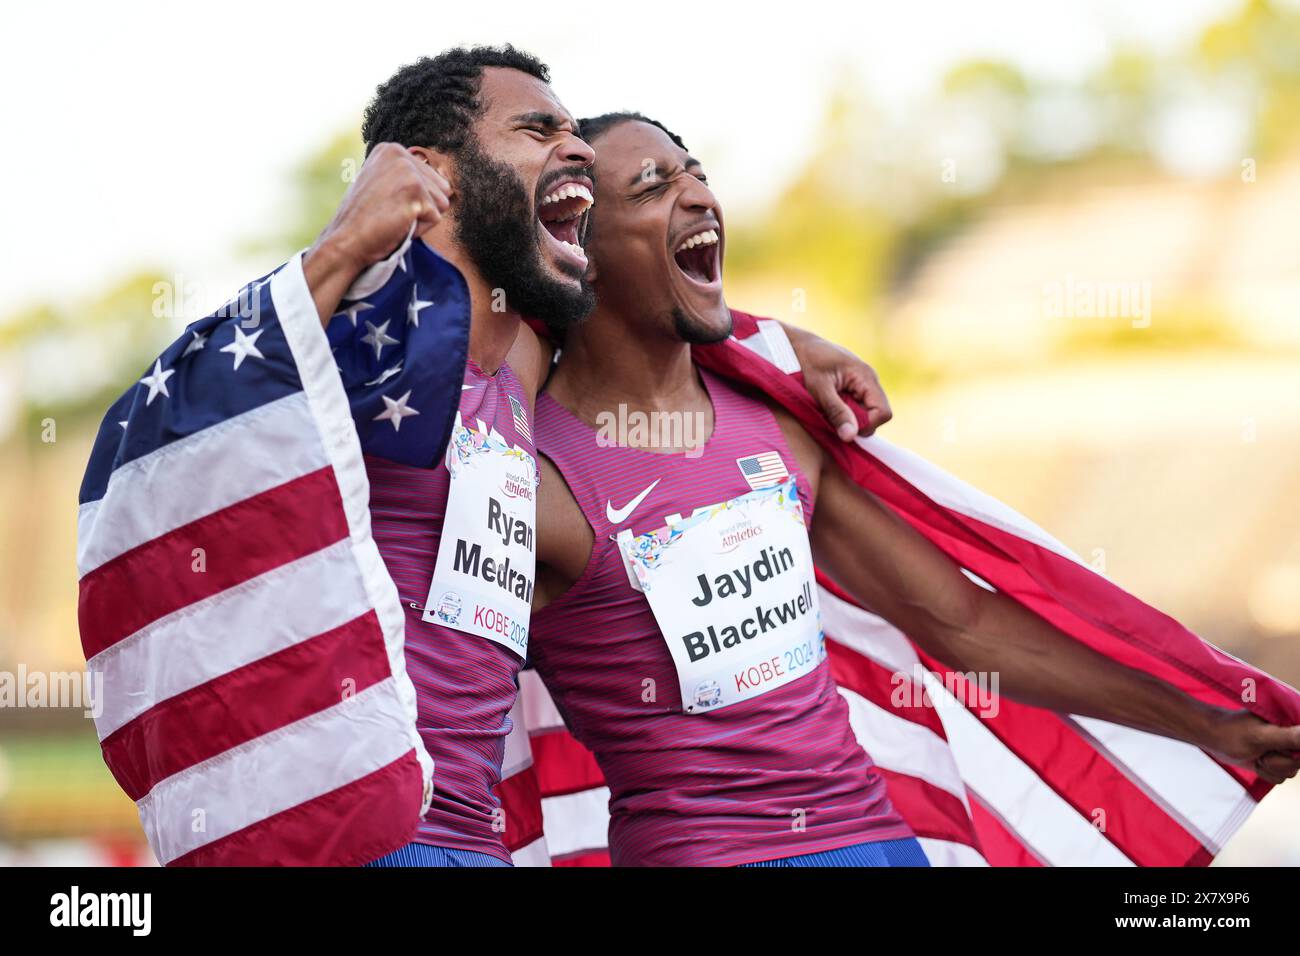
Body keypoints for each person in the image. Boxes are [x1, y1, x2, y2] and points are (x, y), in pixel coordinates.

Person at [527, 112, 1300, 867]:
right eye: (654, 185)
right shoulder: (533, 477)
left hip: (875, 840)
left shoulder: (777, 429)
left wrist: (1210, 724)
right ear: (578, 251)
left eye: (696, 172)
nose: (698, 195)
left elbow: (963, 625)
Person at [303, 51, 893, 866]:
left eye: (575, 133)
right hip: (369, 829)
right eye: (541, 129)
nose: (571, 147)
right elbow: (231, 399)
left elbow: (616, 317)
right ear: (429, 172)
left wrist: (782, 340)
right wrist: (340, 245)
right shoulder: (366, 350)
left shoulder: (515, 366)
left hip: (476, 837)